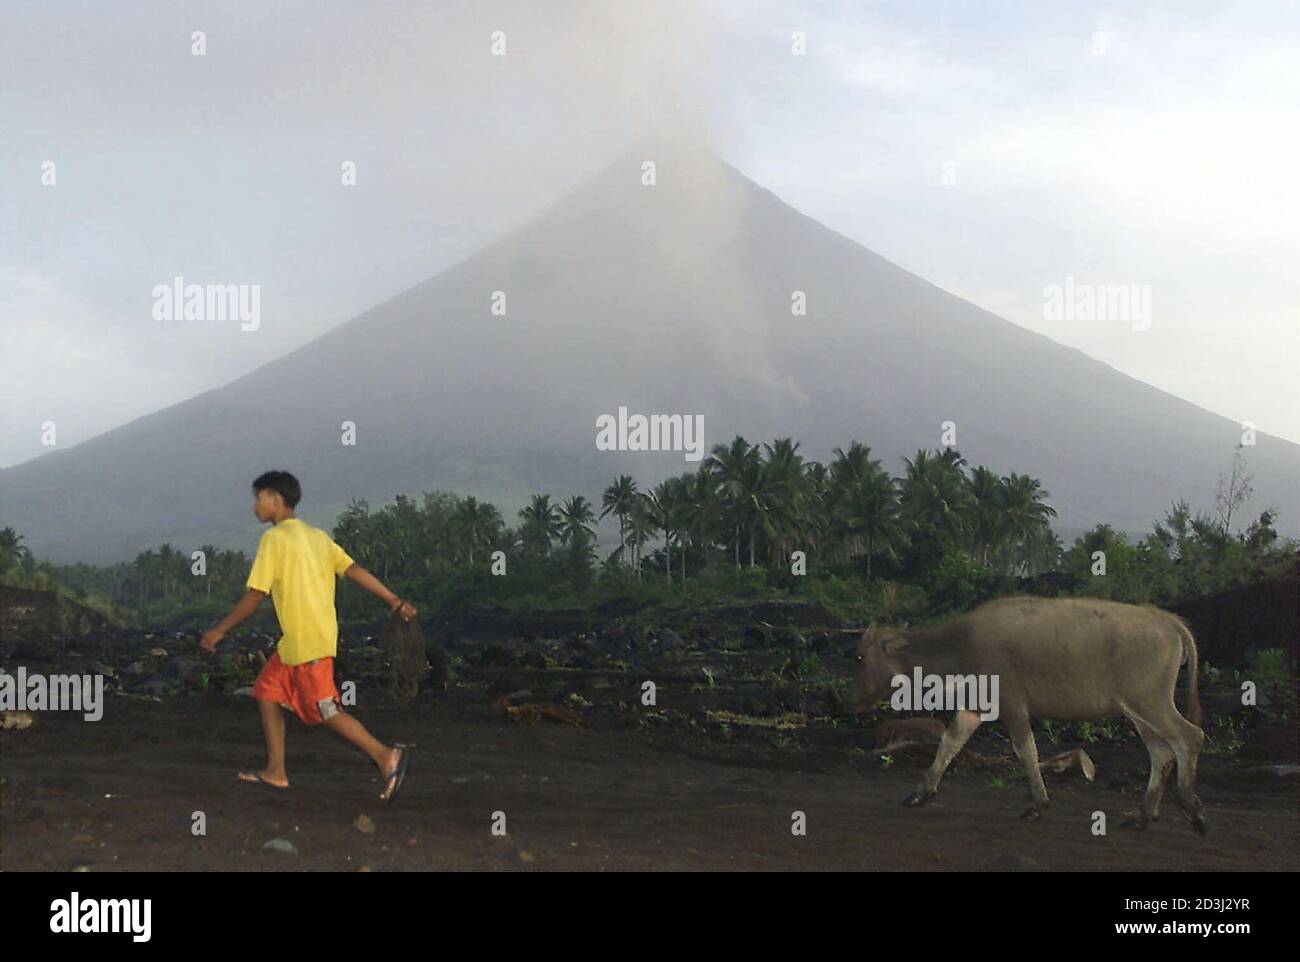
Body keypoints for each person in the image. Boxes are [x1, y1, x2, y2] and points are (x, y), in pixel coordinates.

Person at [200, 470, 416, 802]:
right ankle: (276, 771)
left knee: (327, 711)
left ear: (275, 499)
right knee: (266, 693)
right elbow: (353, 570)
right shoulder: (318, 537)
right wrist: (393, 600)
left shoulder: (273, 540)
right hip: (299, 643)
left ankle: (385, 755)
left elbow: (257, 594)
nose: (254, 506)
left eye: (258, 498)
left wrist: (218, 629)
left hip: (308, 643)